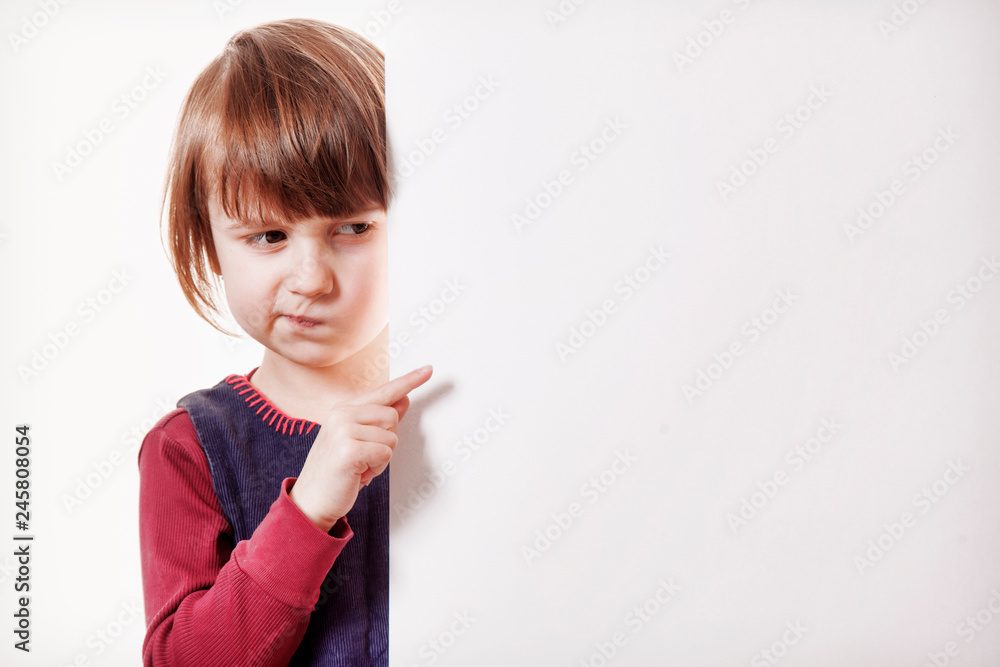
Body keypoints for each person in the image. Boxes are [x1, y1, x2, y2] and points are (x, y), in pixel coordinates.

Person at [137, 18, 431, 666]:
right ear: (206, 240)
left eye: (352, 226)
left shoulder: (456, 405)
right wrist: (309, 509)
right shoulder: (187, 450)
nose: (312, 279)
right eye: (269, 236)